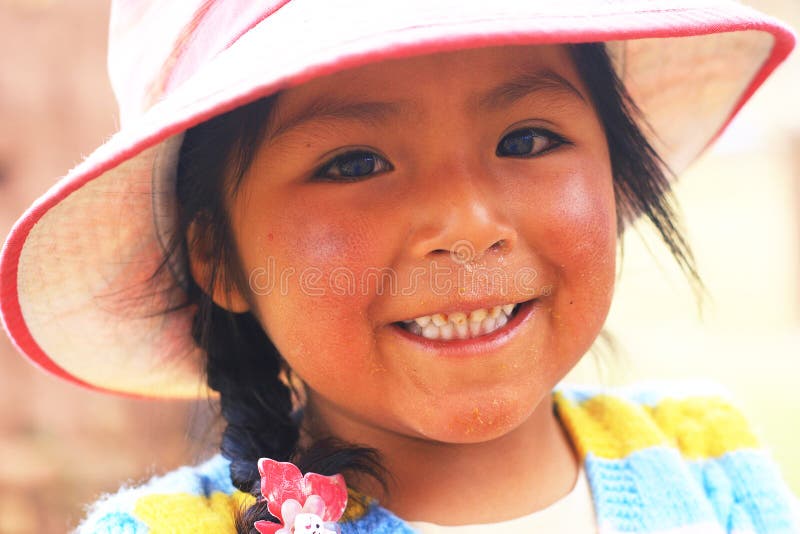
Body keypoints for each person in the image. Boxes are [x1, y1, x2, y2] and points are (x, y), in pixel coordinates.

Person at [0, 1, 798, 533]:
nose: (468, 225)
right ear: (221, 259)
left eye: (526, 140)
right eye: (354, 163)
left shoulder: (707, 462)